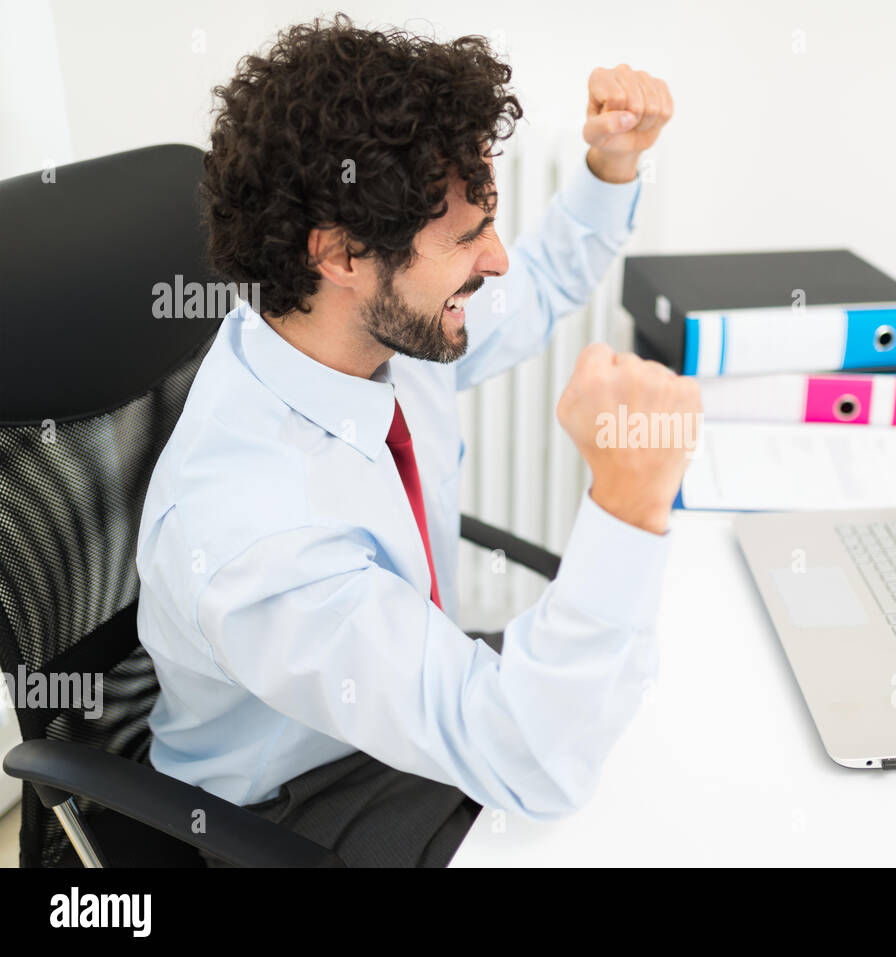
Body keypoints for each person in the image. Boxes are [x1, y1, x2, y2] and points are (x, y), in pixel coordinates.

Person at [135, 13, 699, 867]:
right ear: (341, 255)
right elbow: (531, 759)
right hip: (290, 808)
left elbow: (535, 285)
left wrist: (610, 166)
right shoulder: (255, 532)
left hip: (406, 714)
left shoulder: (377, 329)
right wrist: (626, 503)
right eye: (468, 236)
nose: (497, 258)